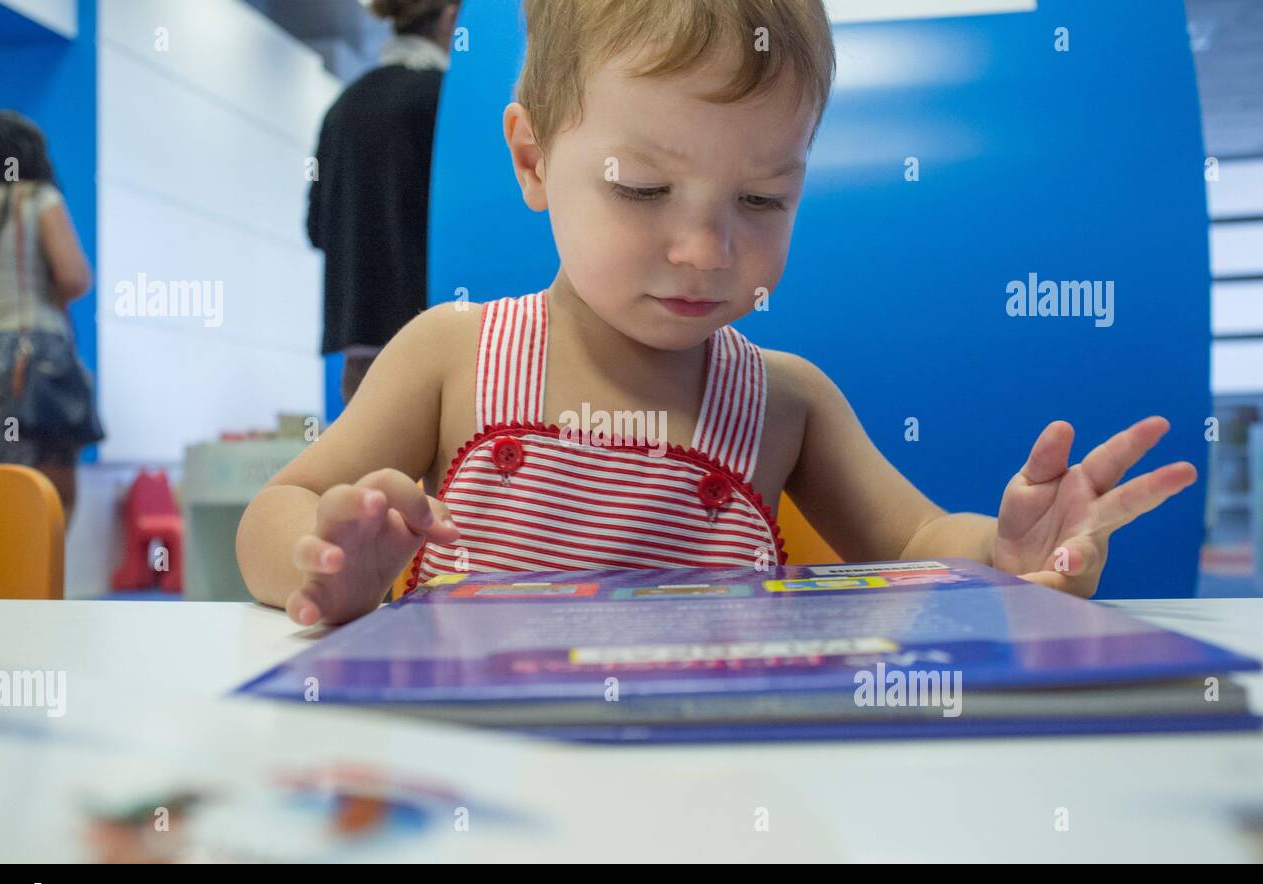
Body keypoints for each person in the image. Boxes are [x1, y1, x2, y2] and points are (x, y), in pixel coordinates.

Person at [238, 0, 1197, 626]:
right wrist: (320, 559)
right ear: (532, 160)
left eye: (761, 200)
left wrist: (1007, 551)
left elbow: (912, 544)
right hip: (482, 791)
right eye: (645, 189)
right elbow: (271, 511)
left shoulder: (787, 404)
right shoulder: (455, 356)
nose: (706, 250)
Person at [307, 0, 462, 405]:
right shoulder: (444, 100)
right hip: (432, 334)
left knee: (361, 467)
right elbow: (462, 222)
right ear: (449, 17)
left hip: (359, 344)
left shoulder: (341, 108)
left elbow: (316, 228)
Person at [0, 110, 93, 520]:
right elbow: (74, 277)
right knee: (47, 490)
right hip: (29, 361)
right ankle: (33, 581)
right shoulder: (36, 199)